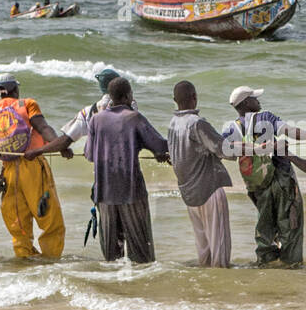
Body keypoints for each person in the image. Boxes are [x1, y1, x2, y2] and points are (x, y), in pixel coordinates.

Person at [220, 86, 306, 266]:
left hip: (257, 185)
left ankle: (266, 265)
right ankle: (291, 265)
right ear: (247, 103)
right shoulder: (266, 117)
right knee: (290, 226)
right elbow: (289, 131)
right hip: (282, 178)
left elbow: (221, 150)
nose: (258, 101)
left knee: (264, 227)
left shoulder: (232, 128)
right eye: (255, 98)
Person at [0, 73, 66, 258]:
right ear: (15, 89)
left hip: (9, 172)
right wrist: (60, 144)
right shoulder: (27, 105)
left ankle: (25, 261)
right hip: (32, 164)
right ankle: (51, 261)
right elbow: (43, 127)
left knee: (18, 224)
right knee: (50, 219)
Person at [85, 77, 169, 263]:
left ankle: (115, 289)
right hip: (131, 192)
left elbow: (89, 154)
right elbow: (160, 145)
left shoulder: (95, 120)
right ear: (128, 96)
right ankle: (139, 287)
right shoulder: (133, 117)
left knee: (111, 255)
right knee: (141, 252)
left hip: (104, 194)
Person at [167, 80, 233, 267]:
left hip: (190, 194)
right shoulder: (197, 123)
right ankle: (221, 289)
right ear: (194, 98)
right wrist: (252, 149)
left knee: (203, 251)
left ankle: (204, 291)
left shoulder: (173, 124)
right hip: (209, 190)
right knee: (220, 250)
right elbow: (223, 150)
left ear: (175, 100)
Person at [53, 68, 137, 159]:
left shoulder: (88, 112)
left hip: (101, 165)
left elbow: (66, 139)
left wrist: (60, 149)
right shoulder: (131, 104)